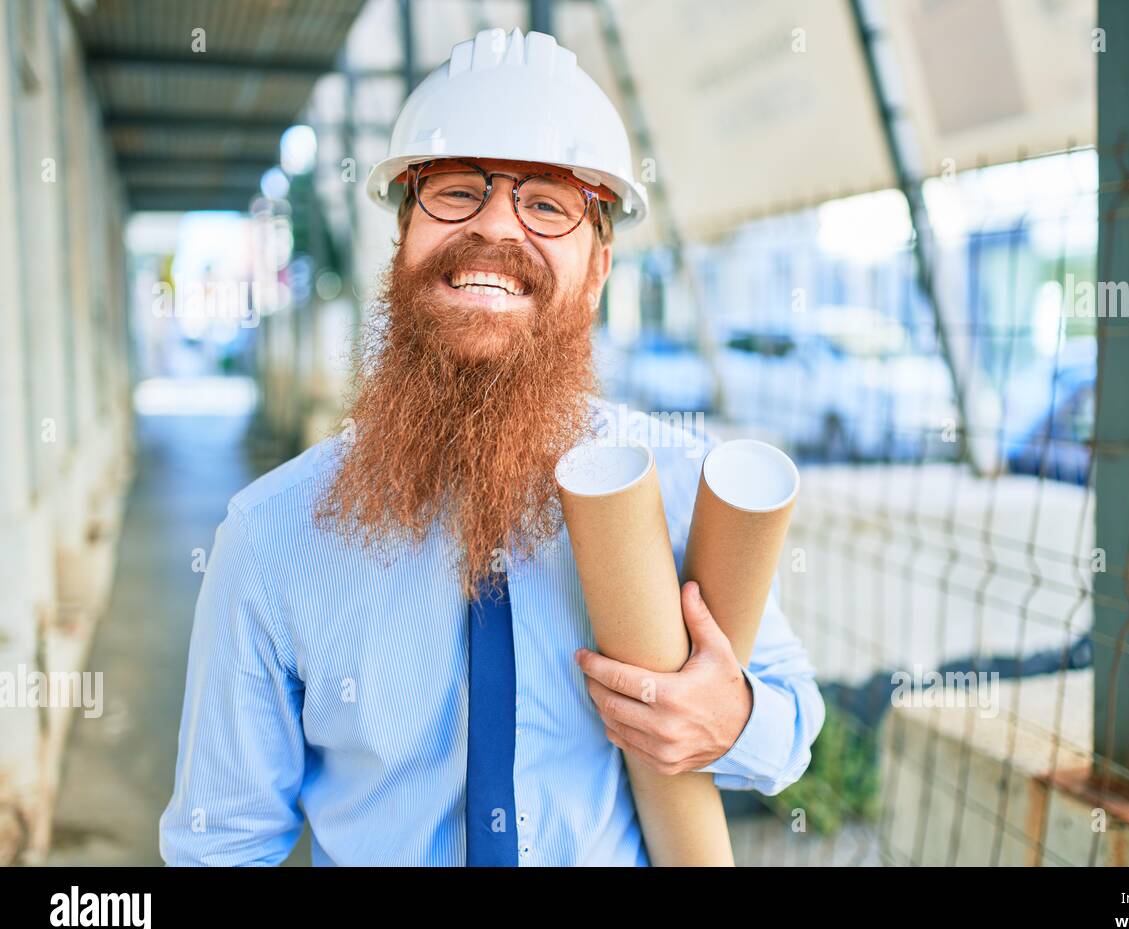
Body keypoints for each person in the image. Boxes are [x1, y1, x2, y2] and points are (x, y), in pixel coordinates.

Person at [159, 27, 825, 866]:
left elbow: (792, 721)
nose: (496, 228)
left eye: (548, 203)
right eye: (456, 192)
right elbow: (223, 845)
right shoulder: (271, 536)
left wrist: (731, 720)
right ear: (403, 238)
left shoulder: (686, 484)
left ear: (598, 271)